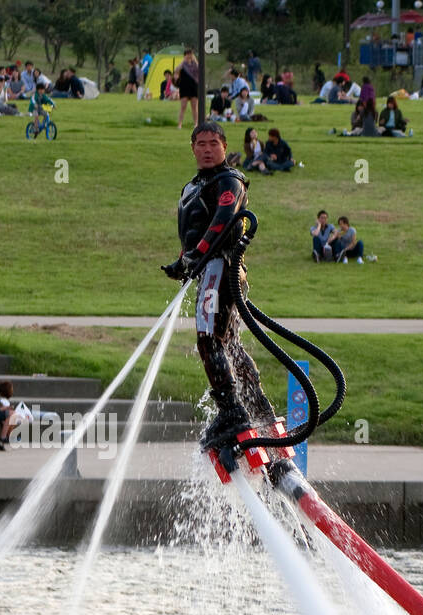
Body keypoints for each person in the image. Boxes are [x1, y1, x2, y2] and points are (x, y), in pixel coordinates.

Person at [160, 120, 279, 447]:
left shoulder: (230, 180)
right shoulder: (192, 187)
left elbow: (224, 218)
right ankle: (257, 406)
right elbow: (194, 231)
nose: (208, 149)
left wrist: (197, 254)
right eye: (201, 143)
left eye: (214, 143)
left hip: (223, 266)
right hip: (208, 267)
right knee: (228, 343)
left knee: (208, 336)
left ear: (225, 147)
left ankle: (231, 410)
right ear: (193, 148)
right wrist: (182, 261)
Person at [175, 50, 199, 129]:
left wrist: (194, 59)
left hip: (194, 87)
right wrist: (183, 61)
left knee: (194, 106)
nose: (189, 56)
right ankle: (180, 124)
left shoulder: (195, 64)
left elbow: (199, 69)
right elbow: (176, 71)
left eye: (190, 54)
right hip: (184, 87)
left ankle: (196, 123)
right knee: (183, 106)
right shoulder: (182, 65)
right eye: (187, 55)